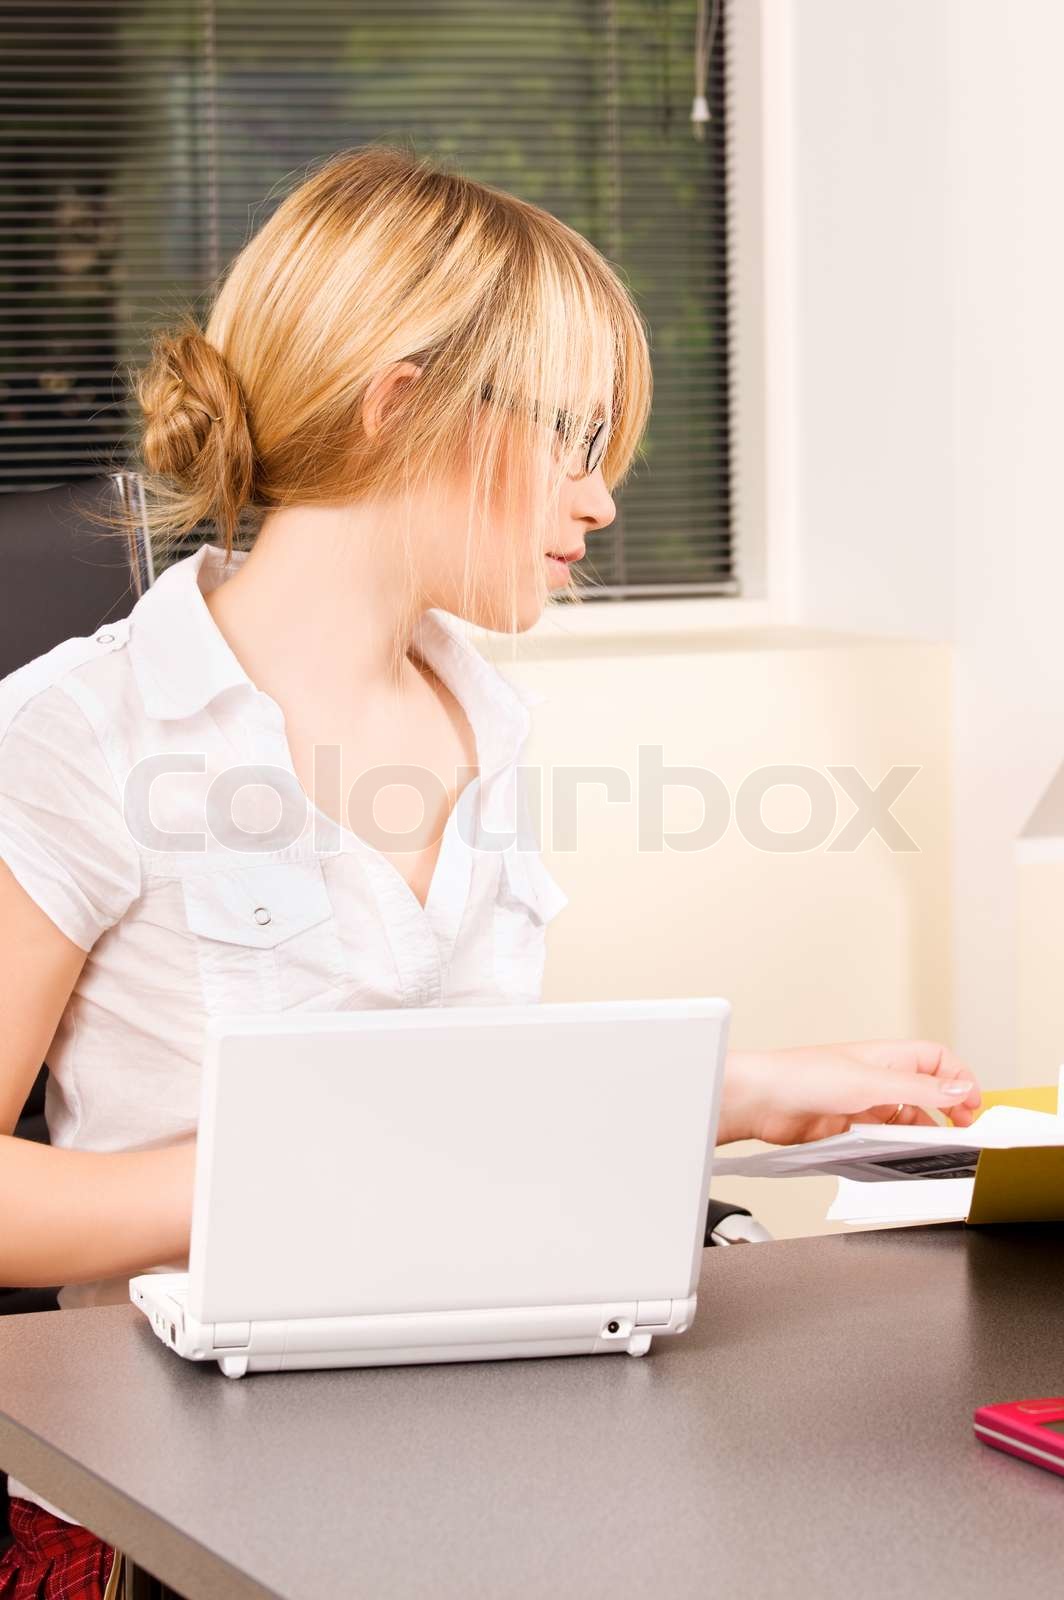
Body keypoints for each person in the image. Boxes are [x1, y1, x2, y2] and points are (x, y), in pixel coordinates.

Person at [0, 143, 980, 1593]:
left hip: (482, 1414)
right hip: (184, 1474)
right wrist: (305, 1164)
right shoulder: (82, 732)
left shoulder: (479, 720)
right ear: (405, 406)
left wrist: (750, 1095)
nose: (600, 501)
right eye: (575, 440)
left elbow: (466, 1102)